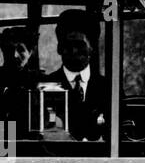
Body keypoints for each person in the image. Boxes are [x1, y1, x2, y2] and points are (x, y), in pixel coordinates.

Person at [46, 9, 108, 141]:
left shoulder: (109, 87)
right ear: (59, 48)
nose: (74, 51)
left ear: (92, 48)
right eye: (68, 45)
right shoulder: (46, 87)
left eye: (80, 45)